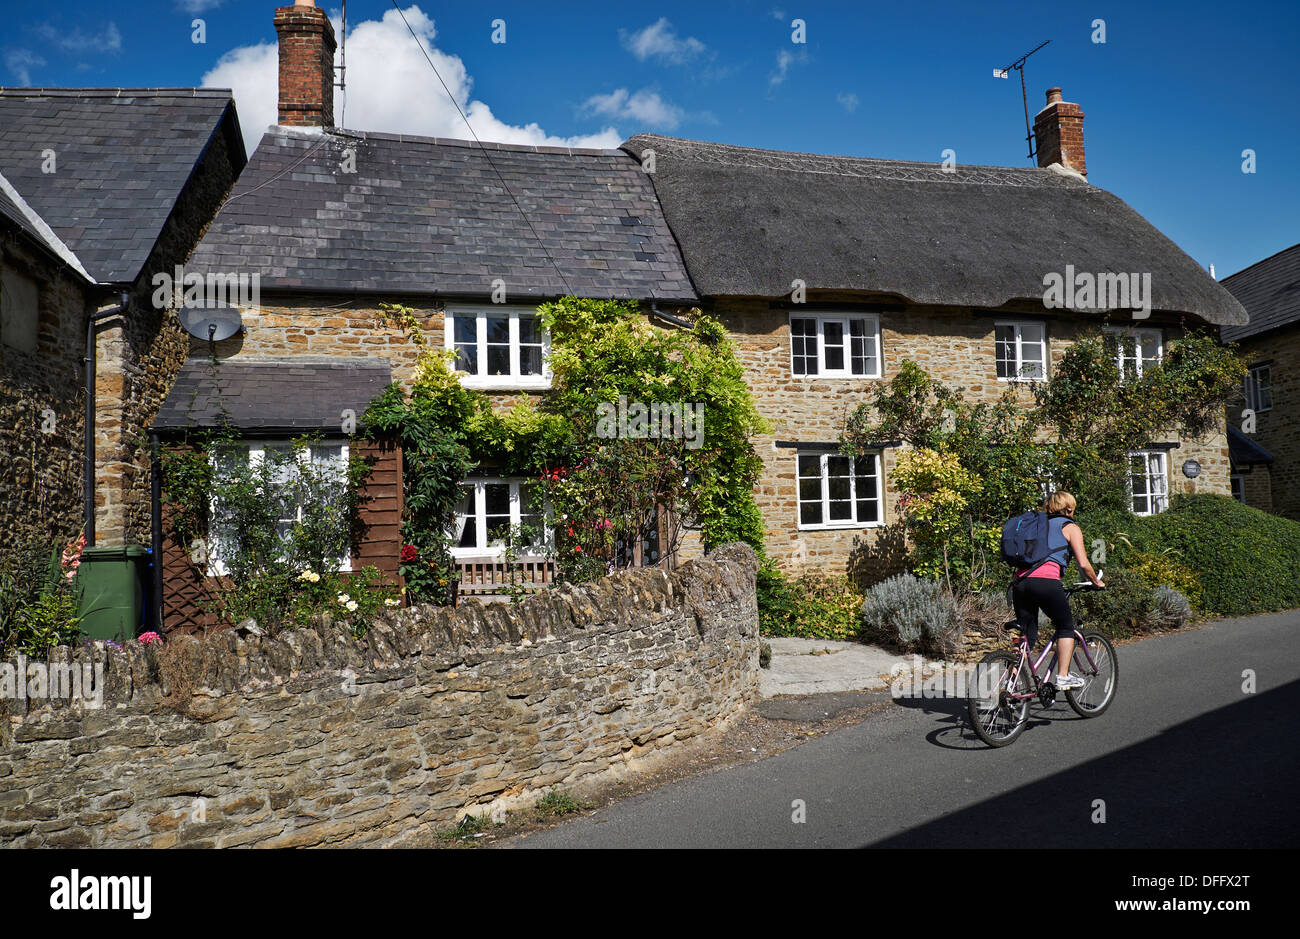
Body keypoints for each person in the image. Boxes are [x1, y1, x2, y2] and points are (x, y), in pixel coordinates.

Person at [1011, 491, 1105, 689]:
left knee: (1027, 633)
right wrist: (1096, 582)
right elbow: (1083, 563)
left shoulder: (1036, 525)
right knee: (1065, 627)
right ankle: (1063, 677)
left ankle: (1010, 682)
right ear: (1069, 509)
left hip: (1020, 582)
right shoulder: (1070, 527)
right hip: (1045, 582)